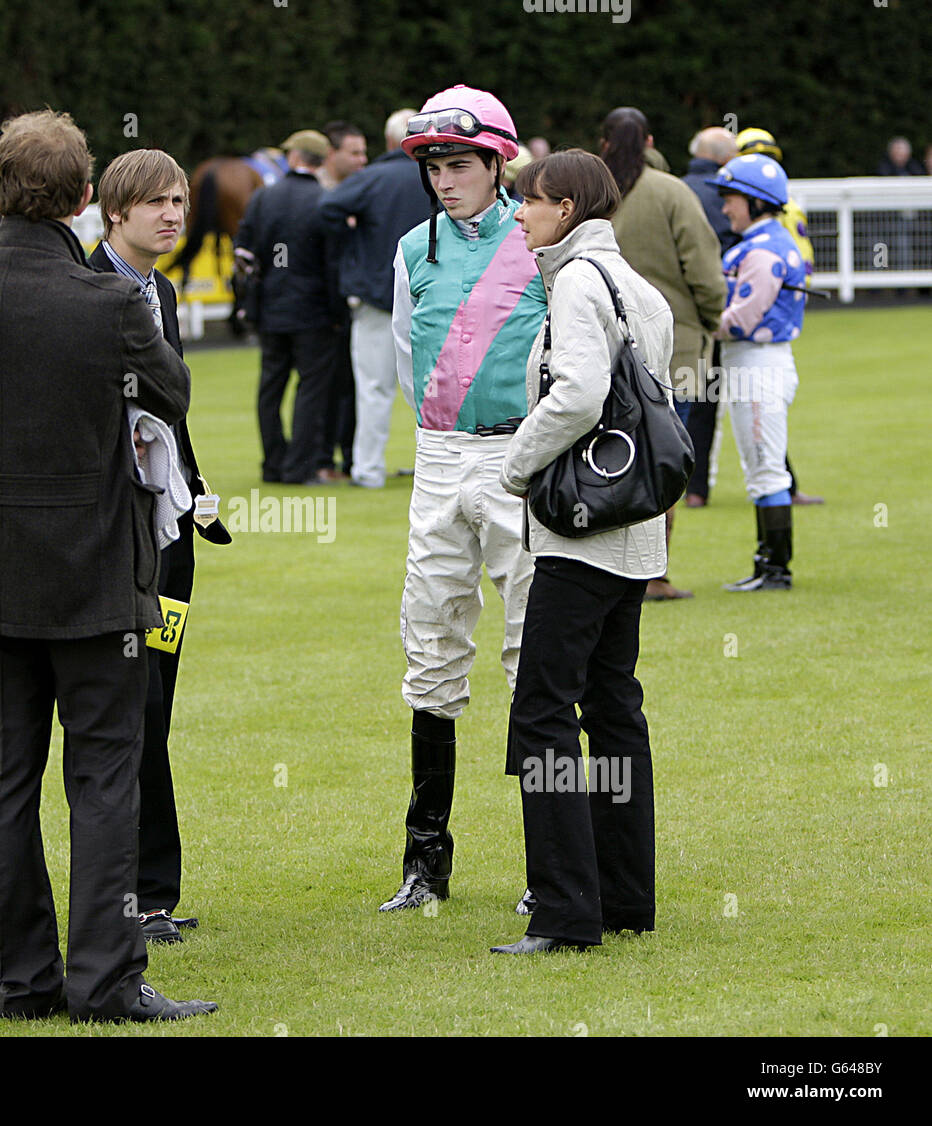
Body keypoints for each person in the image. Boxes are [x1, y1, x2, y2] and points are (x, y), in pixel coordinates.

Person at [0, 109, 215, 1023]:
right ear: (87, 199)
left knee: (4, 784)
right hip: (89, 579)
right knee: (103, 781)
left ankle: (28, 983)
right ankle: (105, 981)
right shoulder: (113, 305)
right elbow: (173, 392)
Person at [495, 148, 674, 953]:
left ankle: (566, 911)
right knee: (613, 709)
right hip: (636, 533)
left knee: (541, 714)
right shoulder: (638, 285)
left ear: (565, 207)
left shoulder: (573, 281)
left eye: (528, 201)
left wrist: (516, 462)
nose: (520, 214)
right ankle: (627, 896)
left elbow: (578, 393)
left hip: (582, 535)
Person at [379, 85, 546, 913]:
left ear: (497, 164)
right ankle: (424, 864)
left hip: (522, 455)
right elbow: (409, 357)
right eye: (436, 167)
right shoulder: (415, 247)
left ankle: (545, 869)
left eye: (459, 165)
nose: (446, 180)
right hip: (441, 456)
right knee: (431, 648)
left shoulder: (538, 238)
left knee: (532, 655)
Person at [88, 148, 232, 944]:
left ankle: (156, 891)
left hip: (170, 545)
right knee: (124, 711)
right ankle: (131, 898)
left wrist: (198, 501)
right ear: (114, 213)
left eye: (179, 200)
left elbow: (168, 419)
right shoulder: (86, 292)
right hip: (114, 544)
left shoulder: (162, 290)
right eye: (155, 203)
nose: (174, 214)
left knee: (157, 707)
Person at [601, 107, 724, 601]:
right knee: (663, 460)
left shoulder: (591, 193)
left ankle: (608, 571)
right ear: (651, 139)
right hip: (676, 349)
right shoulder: (673, 192)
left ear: (603, 142)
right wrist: (712, 317)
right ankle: (652, 573)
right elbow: (705, 271)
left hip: (601, 346)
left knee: (608, 457)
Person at [706, 154, 808, 592]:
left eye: (731, 199)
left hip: (756, 363)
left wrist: (698, 321)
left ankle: (775, 568)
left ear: (756, 202)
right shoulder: (767, 241)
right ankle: (768, 562)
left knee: (765, 467)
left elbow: (740, 319)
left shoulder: (763, 251)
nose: (726, 207)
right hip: (756, 362)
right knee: (759, 464)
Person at [320, 109, 433, 489]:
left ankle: (367, 469)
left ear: (387, 142)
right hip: (433, 293)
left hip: (376, 293)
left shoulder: (372, 178)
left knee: (373, 388)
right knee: (434, 387)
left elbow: (327, 209)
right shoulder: (439, 177)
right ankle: (434, 466)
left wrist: (353, 240)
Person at [235, 129, 344, 485]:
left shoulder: (263, 198)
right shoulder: (326, 200)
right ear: (321, 160)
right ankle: (300, 467)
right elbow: (332, 265)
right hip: (313, 312)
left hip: (270, 309)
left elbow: (245, 257)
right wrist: (336, 312)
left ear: (294, 157)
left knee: (270, 388)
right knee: (310, 390)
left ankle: (272, 463)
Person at [735, 128, 823, 506]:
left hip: (760, 327)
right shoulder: (785, 207)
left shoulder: (764, 219)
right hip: (771, 321)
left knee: (762, 436)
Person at [681, 127, 740, 509]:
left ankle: (694, 489)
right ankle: (782, 483)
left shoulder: (677, 188)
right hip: (723, 308)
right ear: (724, 159)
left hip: (681, 315)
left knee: (697, 400)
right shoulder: (725, 193)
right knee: (757, 397)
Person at [316, 120, 368, 481]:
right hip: (321, 307)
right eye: (354, 152)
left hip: (344, 303)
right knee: (328, 387)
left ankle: (347, 458)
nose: (363, 160)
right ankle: (323, 458)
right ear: (331, 154)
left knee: (349, 385)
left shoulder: (357, 190)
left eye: (364, 152)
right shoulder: (321, 196)